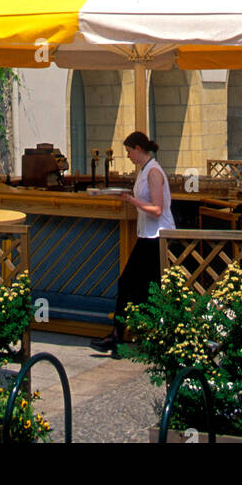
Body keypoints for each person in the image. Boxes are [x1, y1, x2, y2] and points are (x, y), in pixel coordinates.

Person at [91, 131, 174, 353]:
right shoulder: (145, 171)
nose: (128, 156)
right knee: (140, 287)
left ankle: (126, 336)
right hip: (148, 236)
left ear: (138, 149)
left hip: (157, 237)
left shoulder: (154, 172)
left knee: (133, 285)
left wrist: (130, 200)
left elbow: (157, 209)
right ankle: (124, 336)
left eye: (129, 152)